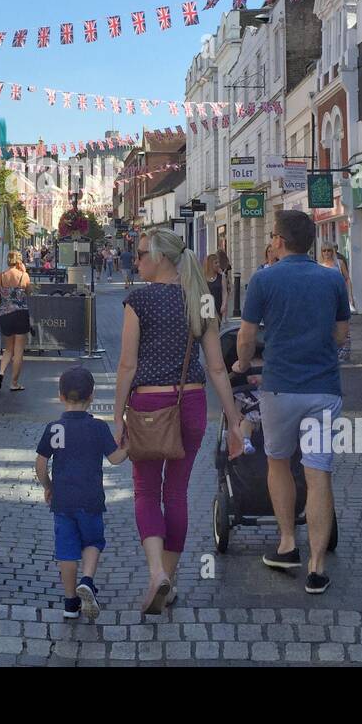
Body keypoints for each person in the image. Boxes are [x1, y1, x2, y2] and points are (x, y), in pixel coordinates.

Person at [115, 228, 244, 615]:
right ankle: (169, 580)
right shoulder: (201, 299)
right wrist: (235, 419)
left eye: (140, 255)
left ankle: (156, 573)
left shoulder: (138, 301)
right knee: (176, 494)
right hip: (190, 404)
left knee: (145, 491)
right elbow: (218, 367)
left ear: (161, 258)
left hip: (148, 407)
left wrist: (116, 417)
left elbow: (126, 365)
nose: (135, 261)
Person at [234, 210, 350, 595]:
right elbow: (341, 335)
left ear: (279, 241)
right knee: (319, 473)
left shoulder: (264, 279)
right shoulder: (333, 278)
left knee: (278, 463)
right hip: (322, 390)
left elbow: (247, 337)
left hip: (279, 388)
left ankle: (287, 544)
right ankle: (317, 566)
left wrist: (243, 362)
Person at [34, 366, 128, 621]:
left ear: (60, 396)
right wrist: (130, 442)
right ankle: (86, 579)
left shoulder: (55, 428)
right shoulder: (97, 428)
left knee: (66, 551)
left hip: (63, 501)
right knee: (93, 542)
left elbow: (41, 464)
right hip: (91, 499)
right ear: (92, 396)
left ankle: (70, 602)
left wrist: (48, 486)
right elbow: (117, 458)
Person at [0, 250, 32, 391]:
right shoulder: (24, 276)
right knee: (19, 350)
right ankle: (14, 383)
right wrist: (24, 272)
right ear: (19, 261)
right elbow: (29, 292)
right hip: (21, 315)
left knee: (8, 349)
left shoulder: (0, 277)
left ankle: (1, 373)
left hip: (6, 315)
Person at [320, 244, 354, 360]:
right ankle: (331, 350)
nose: (326, 253)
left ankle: (344, 351)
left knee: (343, 322)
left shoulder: (339, 263)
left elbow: (347, 278)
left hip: (340, 296)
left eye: (329, 250)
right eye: (324, 251)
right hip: (325, 298)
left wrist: (350, 295)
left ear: (333, 251)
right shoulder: (319, 266)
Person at [204, 254, 226, 322]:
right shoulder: (203, 277)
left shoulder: (221, 276)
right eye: (216, 263)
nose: (218, 264)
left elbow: (224, 292)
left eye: (218, 262)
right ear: (210, 264)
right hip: (206, 307)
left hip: (218, 307)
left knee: (217, 327)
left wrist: (224, 304)